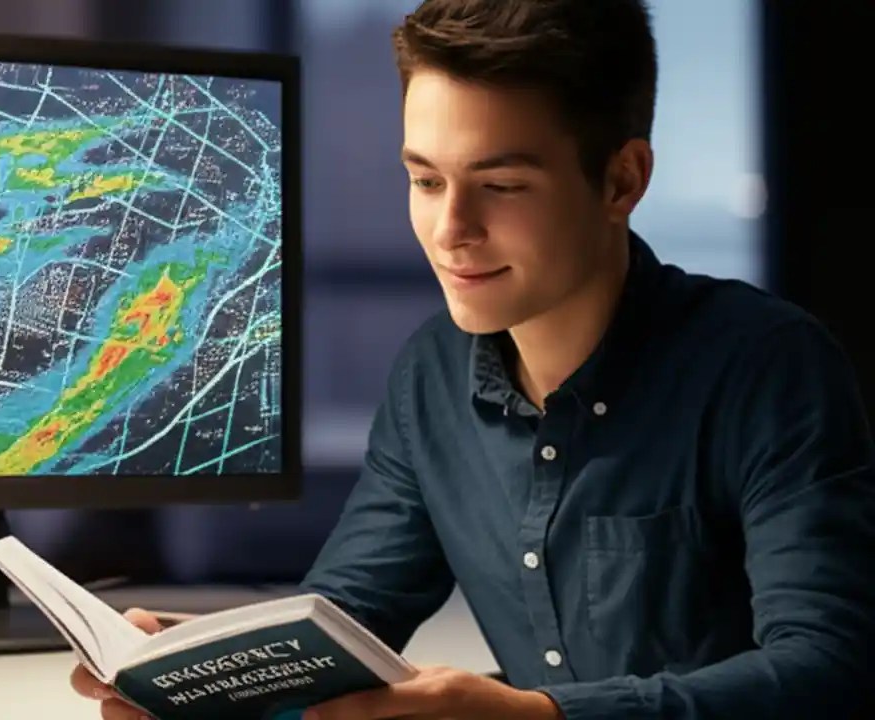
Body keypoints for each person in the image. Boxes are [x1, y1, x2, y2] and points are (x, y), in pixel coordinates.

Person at [71, 0, 875, 717]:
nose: (450, 229)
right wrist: (215, 666)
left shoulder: (767, 368)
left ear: (621, 181)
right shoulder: (432, 374)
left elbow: (827, 672)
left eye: (502, 186)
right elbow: (345, 619)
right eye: (425, 180)